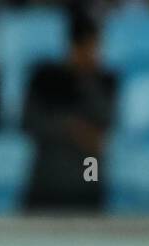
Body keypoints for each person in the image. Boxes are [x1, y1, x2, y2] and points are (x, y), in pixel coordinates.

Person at [22, 9, 116, 211]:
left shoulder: (106, 81)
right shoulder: (44, 77)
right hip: (48, 181)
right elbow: (29, 122)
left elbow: (105, 125)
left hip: (88, 182)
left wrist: (87, 79)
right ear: (73, 46)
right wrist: (73, 128)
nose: (94, 53)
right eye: (89, 47)